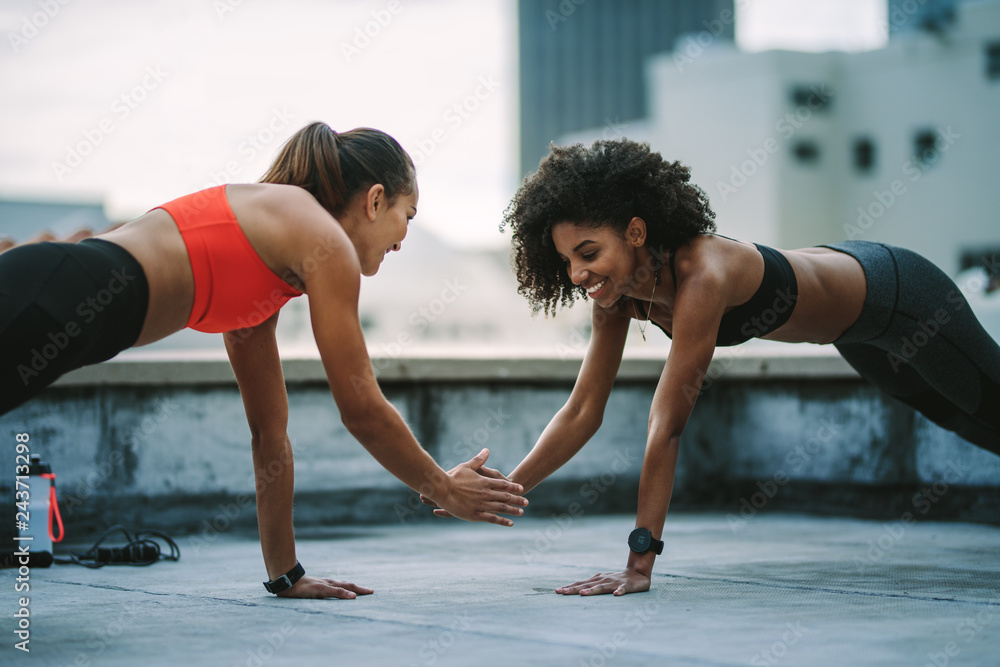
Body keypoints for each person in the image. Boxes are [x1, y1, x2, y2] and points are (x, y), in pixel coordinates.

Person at [0, 121, 528, 598]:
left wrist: (287, 575)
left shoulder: (266, 269)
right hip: (53, 297)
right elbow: (361, 407)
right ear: (374, 201)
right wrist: (443, 487)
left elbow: (269, 437)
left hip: (54, 301)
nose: (403, 238)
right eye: (405, 216)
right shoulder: (323, 241)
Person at [488, 138, 1000, 597]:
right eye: (567, 261)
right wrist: (505, 490)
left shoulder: (702, 274)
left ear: (636, 231)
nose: (578, 274)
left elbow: (666, 425)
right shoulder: (617, 297)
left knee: (992, 407)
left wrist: (639, 563)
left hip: (900, 296)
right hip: (855, 334)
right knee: (964, 419)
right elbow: (582, 411)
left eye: (588, 252)